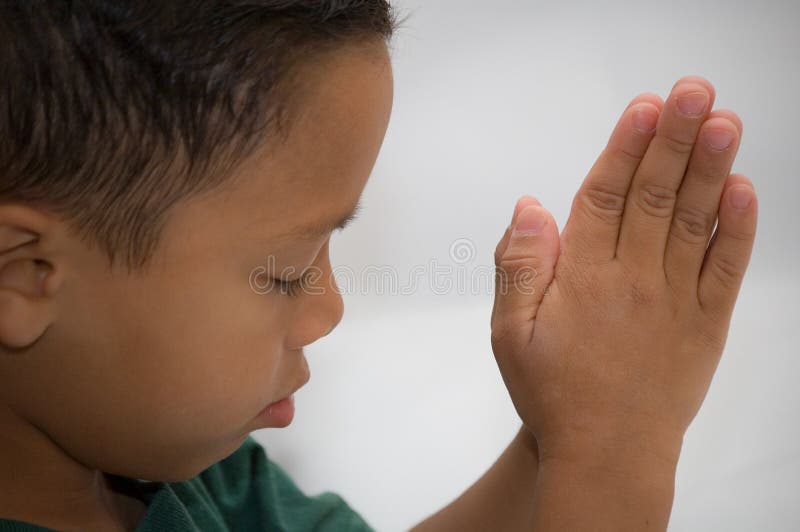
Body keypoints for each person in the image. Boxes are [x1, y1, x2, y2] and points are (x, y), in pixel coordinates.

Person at [0, 1, 757, 531]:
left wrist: (559, 430)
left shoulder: (173, 465)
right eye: (286, 273)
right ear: (23, 273)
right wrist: (616, 453)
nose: (327, 311)